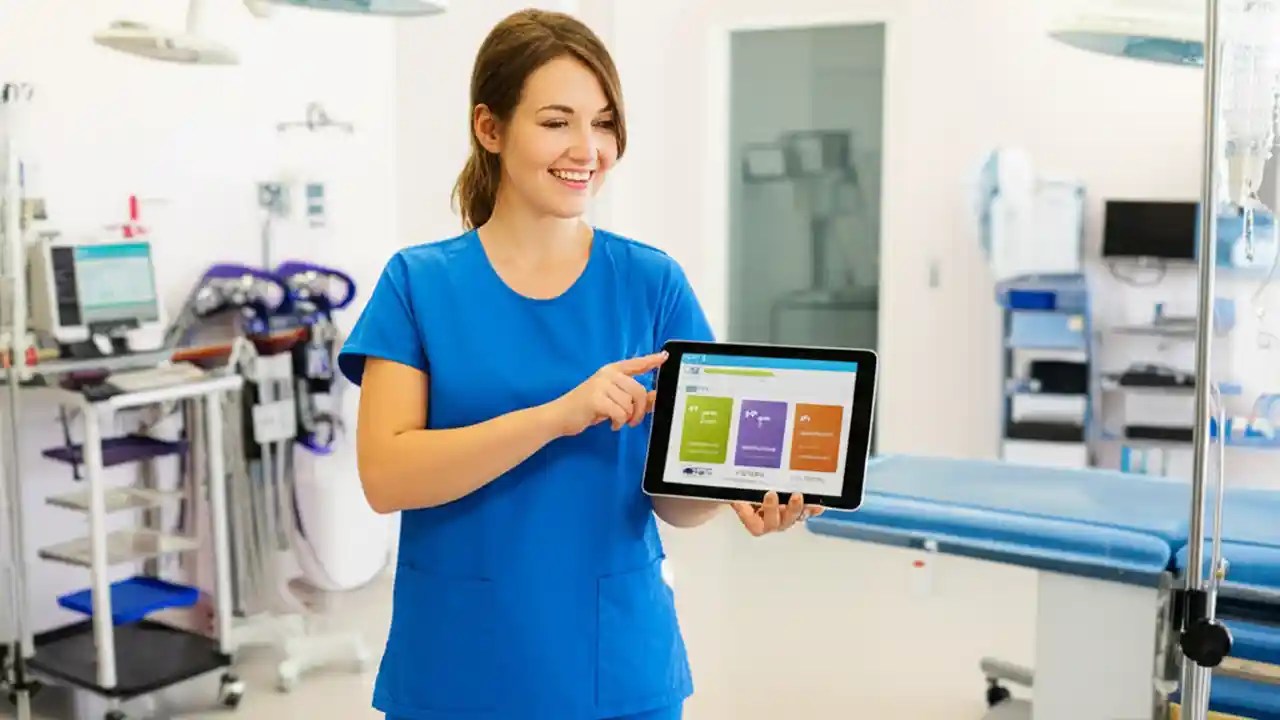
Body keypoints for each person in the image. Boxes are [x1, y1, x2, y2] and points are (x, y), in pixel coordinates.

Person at [338, 9, 825, 720]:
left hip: (616, 668)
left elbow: (675, 502)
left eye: (603, 123)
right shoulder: (418, 285)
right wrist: (555, 417)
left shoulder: (652, 284)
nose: (587, 149)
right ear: (490, 128)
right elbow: (387, 477)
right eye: (556, 122)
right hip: (459, 664)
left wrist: (735, 495)